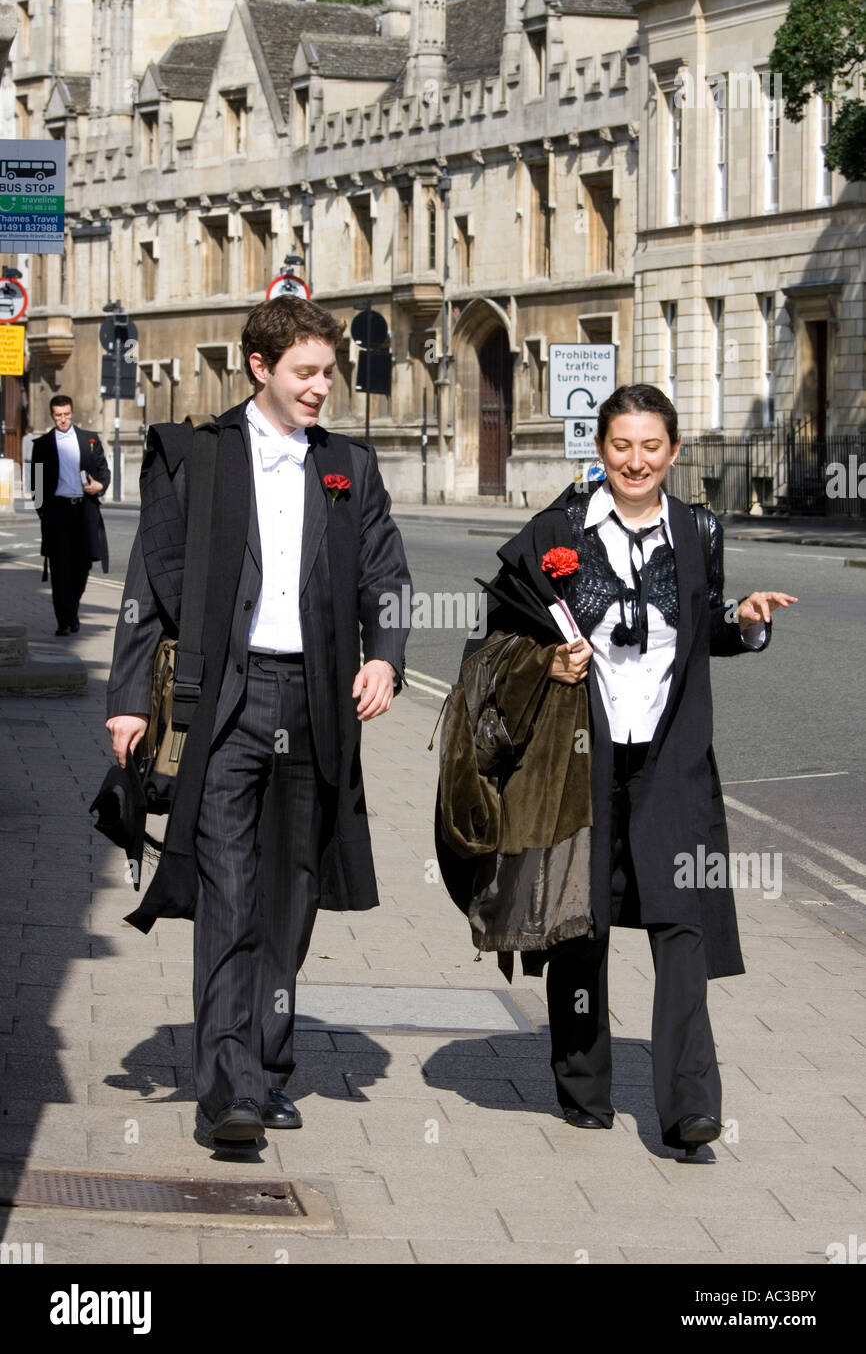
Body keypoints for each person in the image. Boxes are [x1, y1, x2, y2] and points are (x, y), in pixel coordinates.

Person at [104, 296, 411, 1147]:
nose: (322, 388)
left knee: (291, 896)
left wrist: (383, 654)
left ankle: (269, 1066)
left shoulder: (348, 465)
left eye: (329, 372)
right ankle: (228, 1087)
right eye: (306, 373)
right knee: (228, 890)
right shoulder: (197, 458)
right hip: (224, 706)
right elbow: (146, 583)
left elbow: (386, 572)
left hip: (316, 706)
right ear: (259, 368)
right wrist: (129, 700)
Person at [467, 384, 797, 1154]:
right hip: (578, 758)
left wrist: (743, 625)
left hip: (672, 760)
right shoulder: (561, 528)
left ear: (674, 453)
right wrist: (551, 660)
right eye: (622, 446)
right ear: (600, 449)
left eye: (651, 447)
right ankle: (584, 1086)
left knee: (683, 923)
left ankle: (690, 1107)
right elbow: (502, 633)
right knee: (582, 921)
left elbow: (702, 623)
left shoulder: (697, 528)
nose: (636, 461)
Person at [30, 395, 110, 635]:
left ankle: (72, 610)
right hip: (57, 514)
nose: (63, 420)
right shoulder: (42, 445)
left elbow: (104, 471)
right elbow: (36, 485)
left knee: (82, 567)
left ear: (72, 413)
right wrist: (44, 513)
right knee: (60, 569)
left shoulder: (90, 439)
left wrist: (100, 486)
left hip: (84, 511)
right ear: (52, 416)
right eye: (58, 416)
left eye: (66, 414)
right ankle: (64, 621)